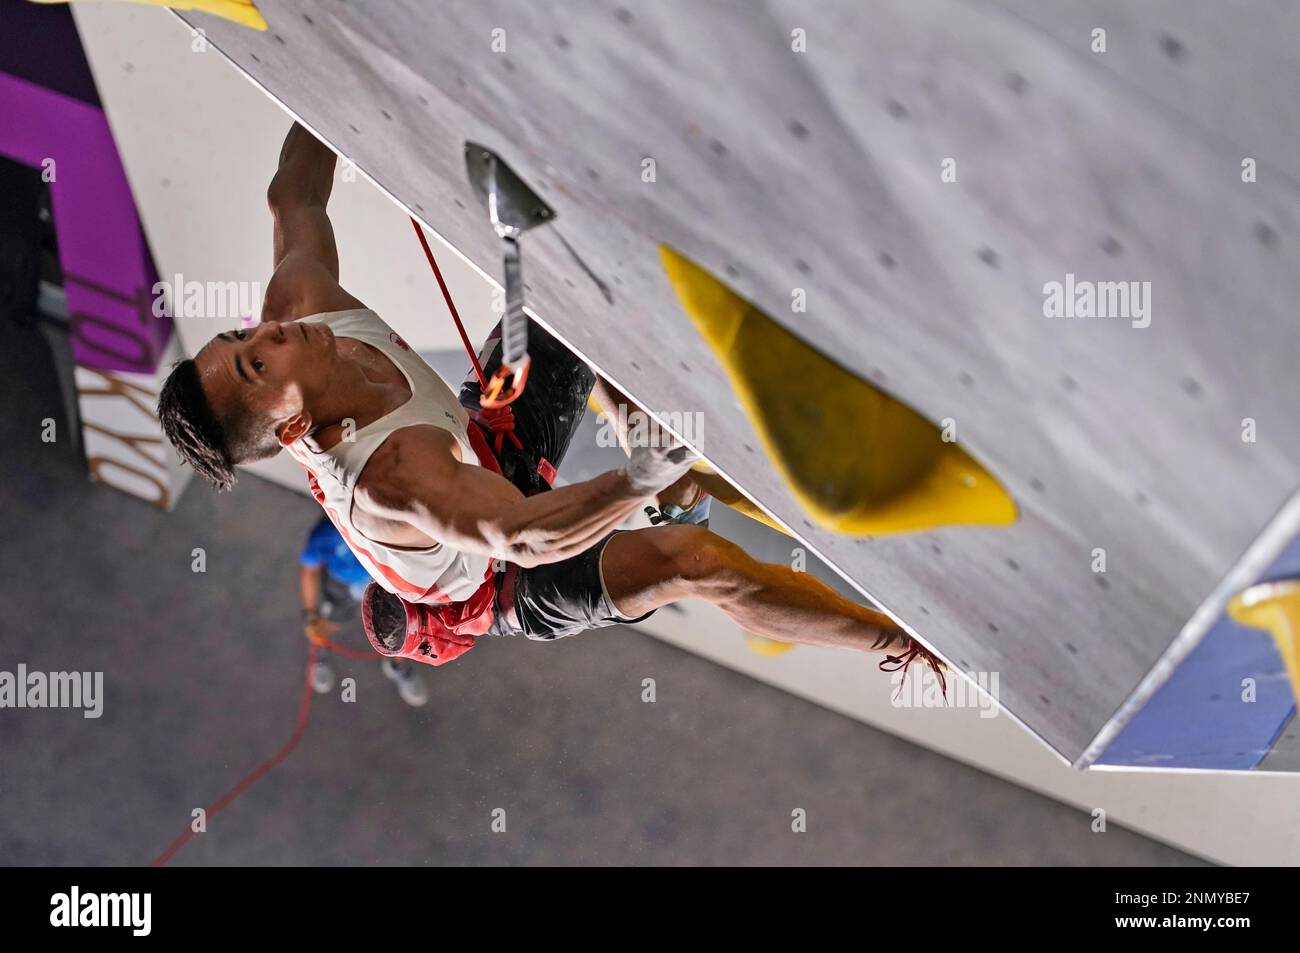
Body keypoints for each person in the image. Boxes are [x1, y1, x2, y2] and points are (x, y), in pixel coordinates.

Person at [157, 122, 934, 675]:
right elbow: (523, 538)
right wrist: (639, 478)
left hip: (481, 454)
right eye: (258, 368)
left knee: (578, 296)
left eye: (242, 339)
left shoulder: (297, 307)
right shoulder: (394, 476)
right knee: (694, 562)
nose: (270, 338)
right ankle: (899, 648)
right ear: (292, 422)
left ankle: (682, 487)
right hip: (504, 576)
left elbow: (294, 192)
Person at [299, 514, 428, 706]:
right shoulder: (324, 536)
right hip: (343, 585)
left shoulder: (380, 524)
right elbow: (310, 571)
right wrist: (311, 616)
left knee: (398, 628)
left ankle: (398, 665)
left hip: (381, 580)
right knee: (327, 622)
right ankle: (320, 650)